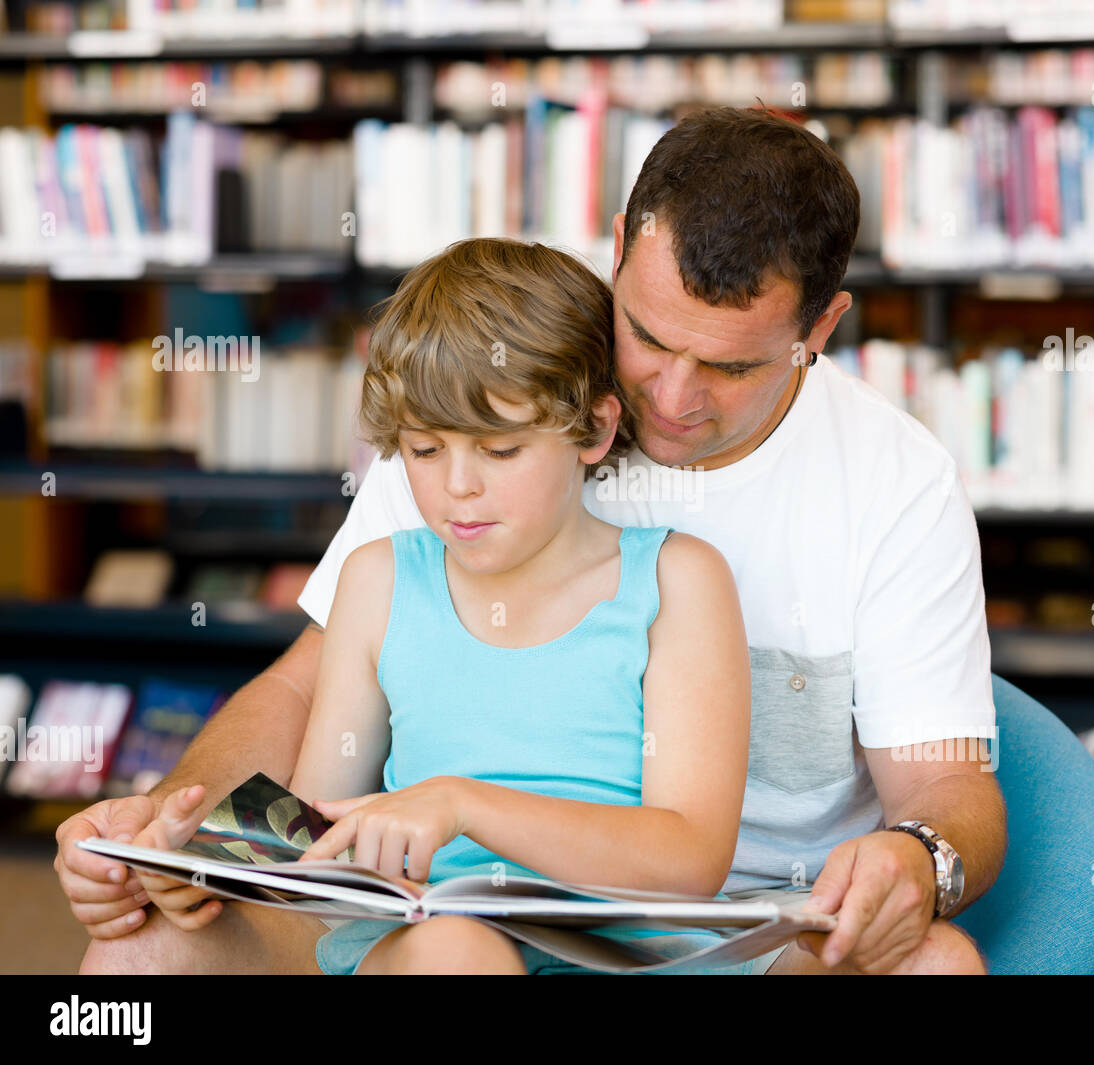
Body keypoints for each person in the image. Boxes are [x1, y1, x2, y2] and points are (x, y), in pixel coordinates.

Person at [69, 104, 1005, 976]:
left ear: (820, 328)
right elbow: (309, 696)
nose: (672, 399)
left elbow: (944, 787)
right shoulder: (494, 394)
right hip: (437, 914)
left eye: (729, 365)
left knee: (938, 965)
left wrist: (914, 859)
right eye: (646, 334)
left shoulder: (891, 483)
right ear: (617, 258)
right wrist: (170, 829)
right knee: (139, 951)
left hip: (729, 921)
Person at [124, 237, 753, 974]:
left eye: (500, 449)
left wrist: (462, 803)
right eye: (425, 451)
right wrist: (195, 855)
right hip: (429, 943)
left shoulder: (677, 580)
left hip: (629, 954)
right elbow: (317, 822)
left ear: (594, 428)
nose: (458, 487)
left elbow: (689, 859)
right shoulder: (380, 580)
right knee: (454, 949)